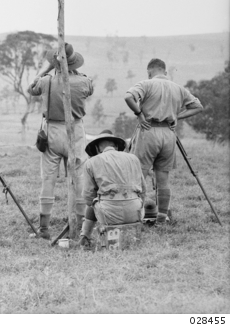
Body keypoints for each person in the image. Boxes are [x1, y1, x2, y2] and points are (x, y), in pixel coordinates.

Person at [124, 58, 203, 225]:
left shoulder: (146, 83)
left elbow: (128, 97)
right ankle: (161, 218)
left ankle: (136, 217)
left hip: (148, 130)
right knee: (163, 177)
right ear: (165, 72)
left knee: (140, 175)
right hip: (168, 134)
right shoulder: (178, 88)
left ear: (149, 71)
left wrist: (139, 114)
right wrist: (176, 116)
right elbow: (197, 106)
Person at [27, 43, 93, 239]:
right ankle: (80, 227)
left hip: (53, 131)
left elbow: (32, 89)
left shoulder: (47, 81)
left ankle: (44, 228)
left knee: (48, 179)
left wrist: (50, 68)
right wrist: (69, 67)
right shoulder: (84, 81)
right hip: (76, 130)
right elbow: (88, 88)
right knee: (79, 178)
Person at [79, 129, 146, 250]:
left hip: (109, 215)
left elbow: (88, 197)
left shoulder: (91, 162)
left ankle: (85, 237)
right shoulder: (133, 159)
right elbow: (144, 190)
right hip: (135, 212)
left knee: (92, 203)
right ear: (115, 145)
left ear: (97, 148)